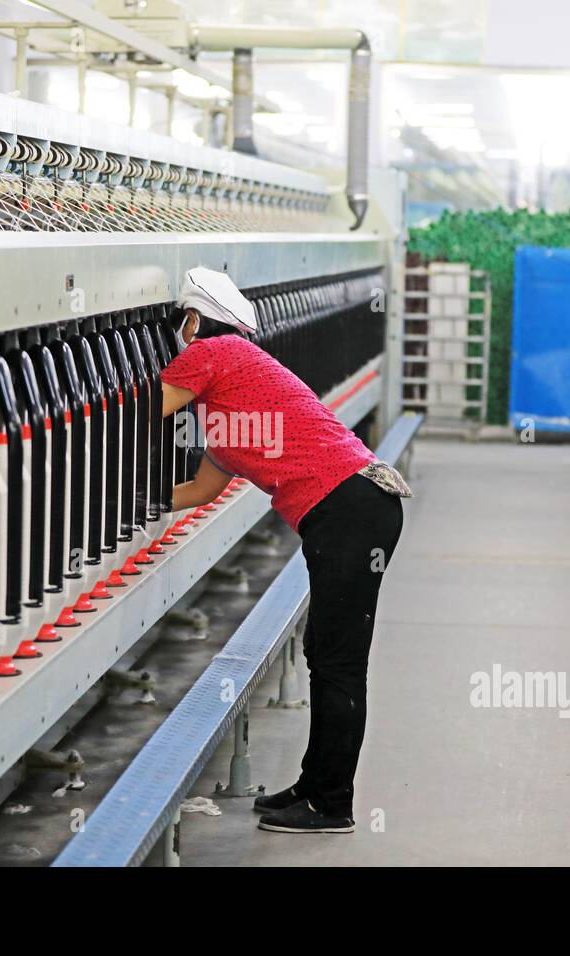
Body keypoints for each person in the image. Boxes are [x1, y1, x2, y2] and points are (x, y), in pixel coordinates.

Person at [160, 266, 411, 834]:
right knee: (325, 654)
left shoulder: (212, 350)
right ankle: (314, 784)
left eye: (179, 325)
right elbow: (201, 489)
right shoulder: (231, 404)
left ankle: (331, 803)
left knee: (338, 661)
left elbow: (138, 412)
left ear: (193, 319)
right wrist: (131, 507)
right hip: (352, 511)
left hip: (349, 510)